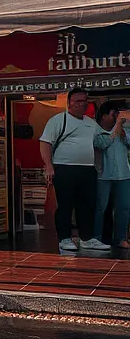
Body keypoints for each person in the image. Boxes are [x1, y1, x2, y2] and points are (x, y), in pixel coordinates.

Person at [40, 86, 112, 252]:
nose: (82, 104)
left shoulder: (90, 123)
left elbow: (103, 140)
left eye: (85, 101)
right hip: (64, 168)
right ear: (69, 103)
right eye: (78, 101)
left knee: (87, 205)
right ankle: (64, 238)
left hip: (87, 169)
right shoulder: (58, 120)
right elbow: (45, 143)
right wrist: (49, 166)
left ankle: (86, 238)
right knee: (65, 204)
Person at [93, 102, 130, 249]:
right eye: (113, 115)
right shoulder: (95, 130)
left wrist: (122, 130)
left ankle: (121, 238)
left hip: (124, 175)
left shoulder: (123, 130)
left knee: (124, 207)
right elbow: (101, 144)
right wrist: (116, 129)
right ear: (104, 116)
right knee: (100, 207)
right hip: (103, 175)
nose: (116, 118)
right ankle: (96, 238)